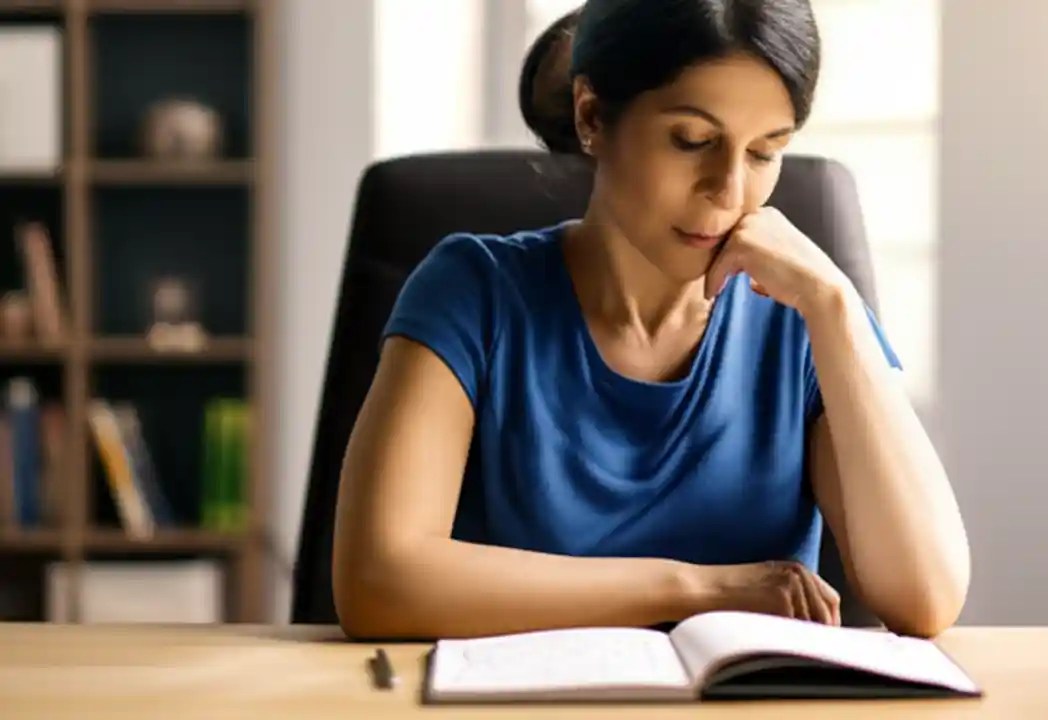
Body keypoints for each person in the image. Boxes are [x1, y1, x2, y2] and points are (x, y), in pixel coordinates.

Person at [332, 0, 970, 641]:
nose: (728, 190)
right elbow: (378, 581)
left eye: (764, 153)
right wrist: (697, 588)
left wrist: (835, 307)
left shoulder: (803, 319)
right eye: (692, 141)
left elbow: (925, 598)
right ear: (591, 116)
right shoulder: (474, 292)